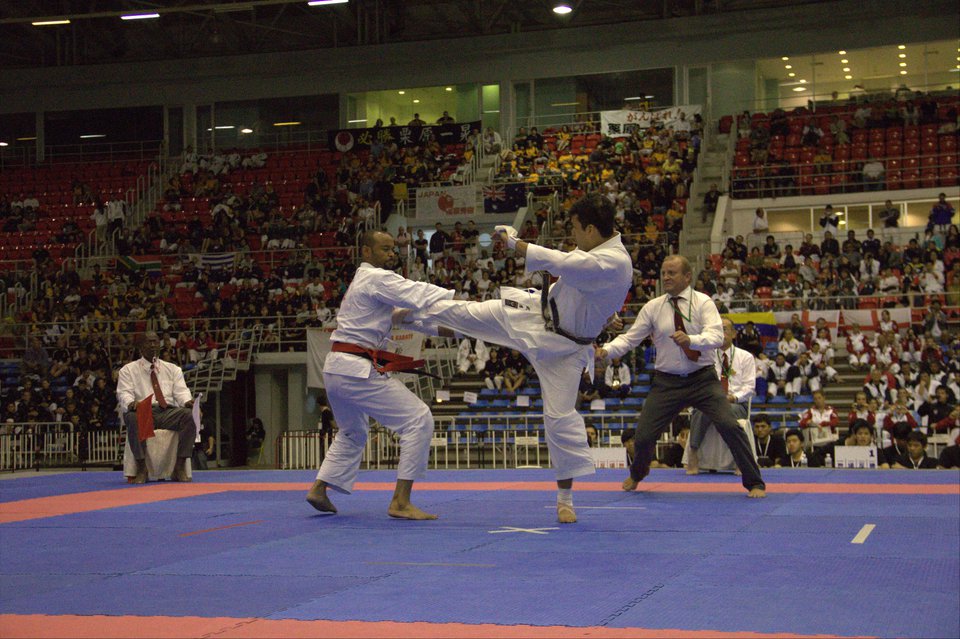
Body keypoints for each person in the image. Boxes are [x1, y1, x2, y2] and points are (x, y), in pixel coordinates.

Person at [403, 195, 633, 523]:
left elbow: (566, 265)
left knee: (559, 418)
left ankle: (565, 499)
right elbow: (589, 289)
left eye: (576, 229)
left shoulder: (612, 261)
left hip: (566, 351)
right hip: (536, 318)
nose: (573, 236)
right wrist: (605, 315)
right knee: (471, 314)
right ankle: (410, 313)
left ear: (591, 229)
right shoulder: (600, 252)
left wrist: (516, 244)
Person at [304, 230, 454, 520]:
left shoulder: (368, 284)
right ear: (366, 253)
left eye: (392, 249)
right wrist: (454, 298)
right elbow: (417, 294)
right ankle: (400, 501)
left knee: (352, 432)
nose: (391, 254)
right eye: (384, 249)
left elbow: (406, 316)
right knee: (417, 419)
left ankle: (319, 489)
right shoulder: (376, 278)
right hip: (355, 369)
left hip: (337, 368)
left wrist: (450, 327)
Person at [597, 255, 766, 497]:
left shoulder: (703, 302)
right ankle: (638, 473)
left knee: (730, 425)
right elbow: (630, 338)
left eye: (672, 273)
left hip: (703, 379)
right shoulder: (653, 307)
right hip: (667, 381)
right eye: (664, 272)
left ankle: (755, 482)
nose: (666, 277)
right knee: (643, 436)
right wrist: (607, 350)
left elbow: (717, 337)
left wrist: (692, 340)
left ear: (687, 277)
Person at [116, 331, 196, 484]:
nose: (153, 345)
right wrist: (132, 403)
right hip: (143, 411)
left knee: (189, 415)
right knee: (131, 416)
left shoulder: (173, 369)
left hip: (167, 412)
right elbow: (123, 394)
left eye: (155, 342)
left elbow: (181, 392)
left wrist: (187, 401)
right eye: (149, 342)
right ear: (140, 347)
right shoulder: (128, 370)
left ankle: (179, 467)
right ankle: (141, 468)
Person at [686, 317, 756, 474]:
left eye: (725, 329)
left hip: (736, 404)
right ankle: (694, 454)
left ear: (734, 334)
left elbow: (749, 388)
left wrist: (732, 398)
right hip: (712, 402)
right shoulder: (706, 356)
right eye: (718, 329)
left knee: (724, 410)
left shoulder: (745, 357)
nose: (722, 333)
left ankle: (741, 459)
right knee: (701, 409)